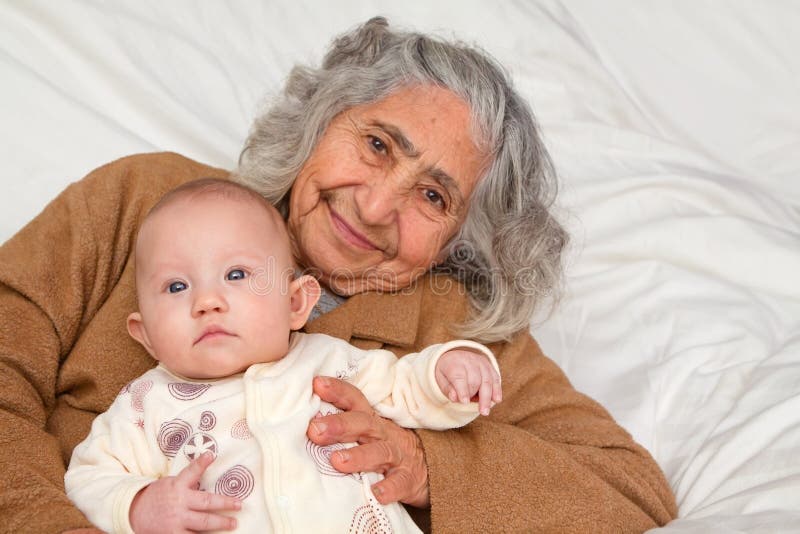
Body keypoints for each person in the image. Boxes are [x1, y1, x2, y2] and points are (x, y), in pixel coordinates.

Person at [0, 16, 677, 533]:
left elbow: (629, 487)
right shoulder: (142, 203)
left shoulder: (457, 334)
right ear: (321, 121)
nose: (377, 206)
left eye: (433, 197)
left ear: (456, 242)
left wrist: (422, 464)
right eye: (377, 145)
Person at [64, 178, 501, 533]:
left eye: (236, 275)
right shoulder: (145, 406)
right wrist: (139, 506)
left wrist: (448, 369)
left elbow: (406, 386)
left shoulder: (331, 364)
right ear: (147, 336)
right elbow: (88, 477)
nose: (207, 301)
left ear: (295, 303)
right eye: (177, 287)